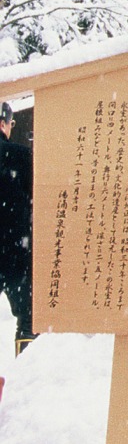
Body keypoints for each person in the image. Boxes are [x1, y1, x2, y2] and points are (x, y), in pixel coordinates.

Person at [0, 101, 33, 349]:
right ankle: (25, 374)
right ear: (3, 123)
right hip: (15, 255)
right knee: (28, 318)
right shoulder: (20, 156)